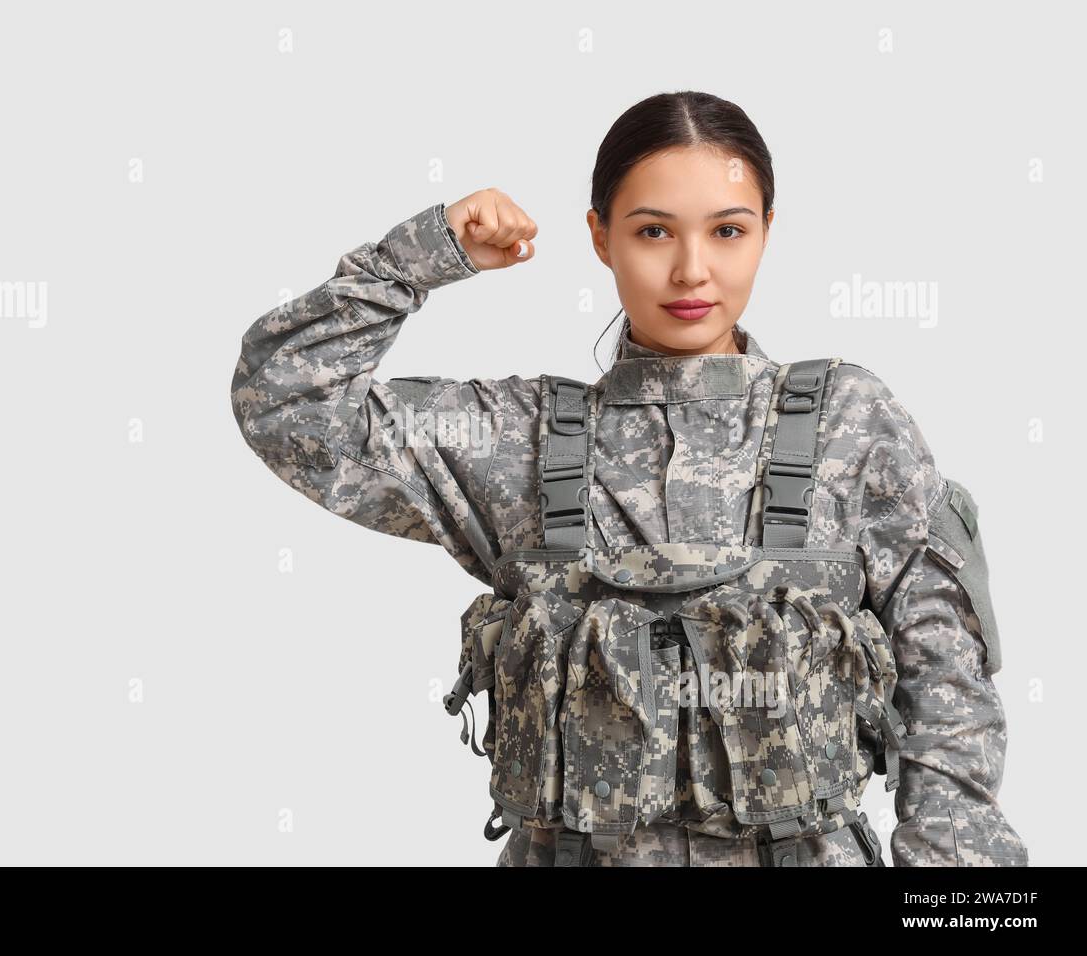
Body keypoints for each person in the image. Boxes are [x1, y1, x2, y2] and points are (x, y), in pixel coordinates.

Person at [230, 90, 1027, 867]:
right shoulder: (516, 438)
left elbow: (947, 688)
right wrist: (421, 256)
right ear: (601, 237)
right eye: (652, 231)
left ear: (767, 233)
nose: (691, 270)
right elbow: (287, 404)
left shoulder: (852, 423)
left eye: (727, 231)